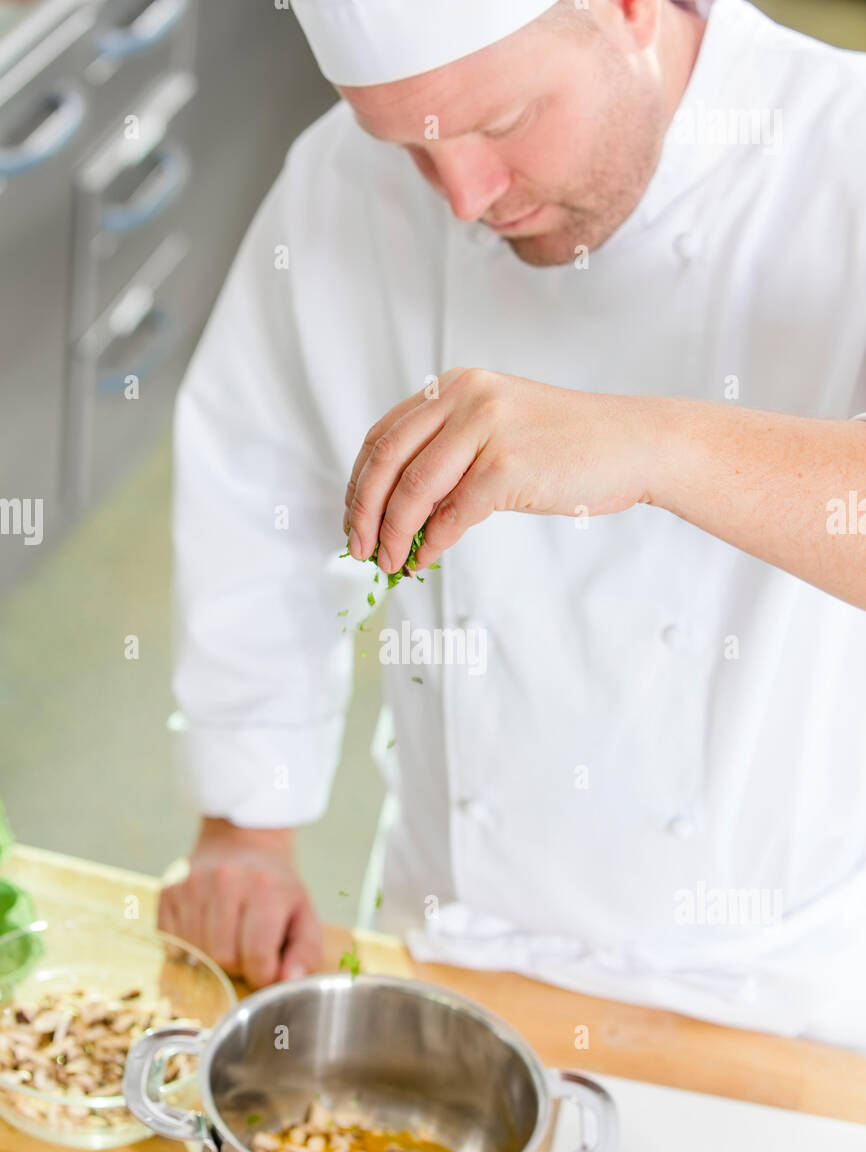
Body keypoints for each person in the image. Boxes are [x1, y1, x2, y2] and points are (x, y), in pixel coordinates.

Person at [160, 0, 866, 1049]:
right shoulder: (336, 185)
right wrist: (245, 828)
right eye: (408, 146)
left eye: (500, 121)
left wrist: (650, 448)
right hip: (451, 943)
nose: (463, 200)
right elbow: (254, 499)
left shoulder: (836, 153)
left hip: (778, 985)